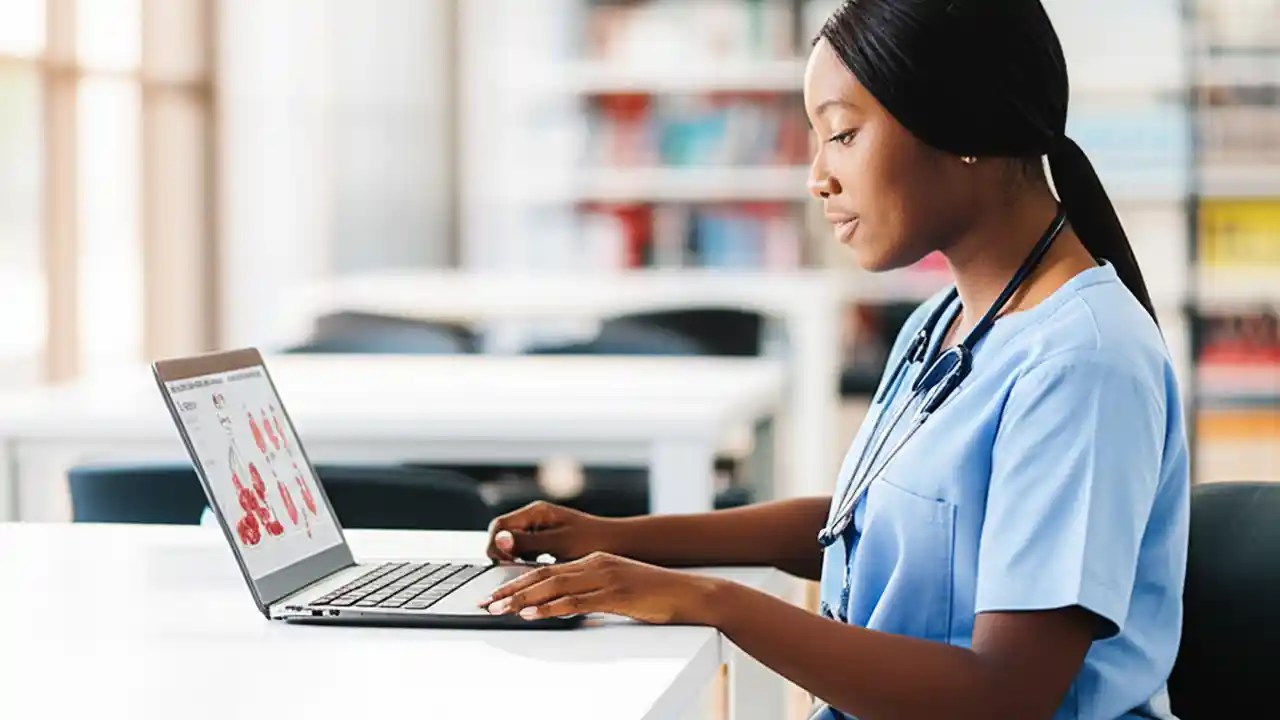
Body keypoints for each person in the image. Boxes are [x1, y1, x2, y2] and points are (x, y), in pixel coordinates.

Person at [479, 2, 1190, 718]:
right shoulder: (942, 323)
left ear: (964, 122)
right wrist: (617, 539)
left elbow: (1004, 695)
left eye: (843, 134)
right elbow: (865, 524)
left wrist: (711, 601)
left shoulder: (1083, 362)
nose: (817, 176)